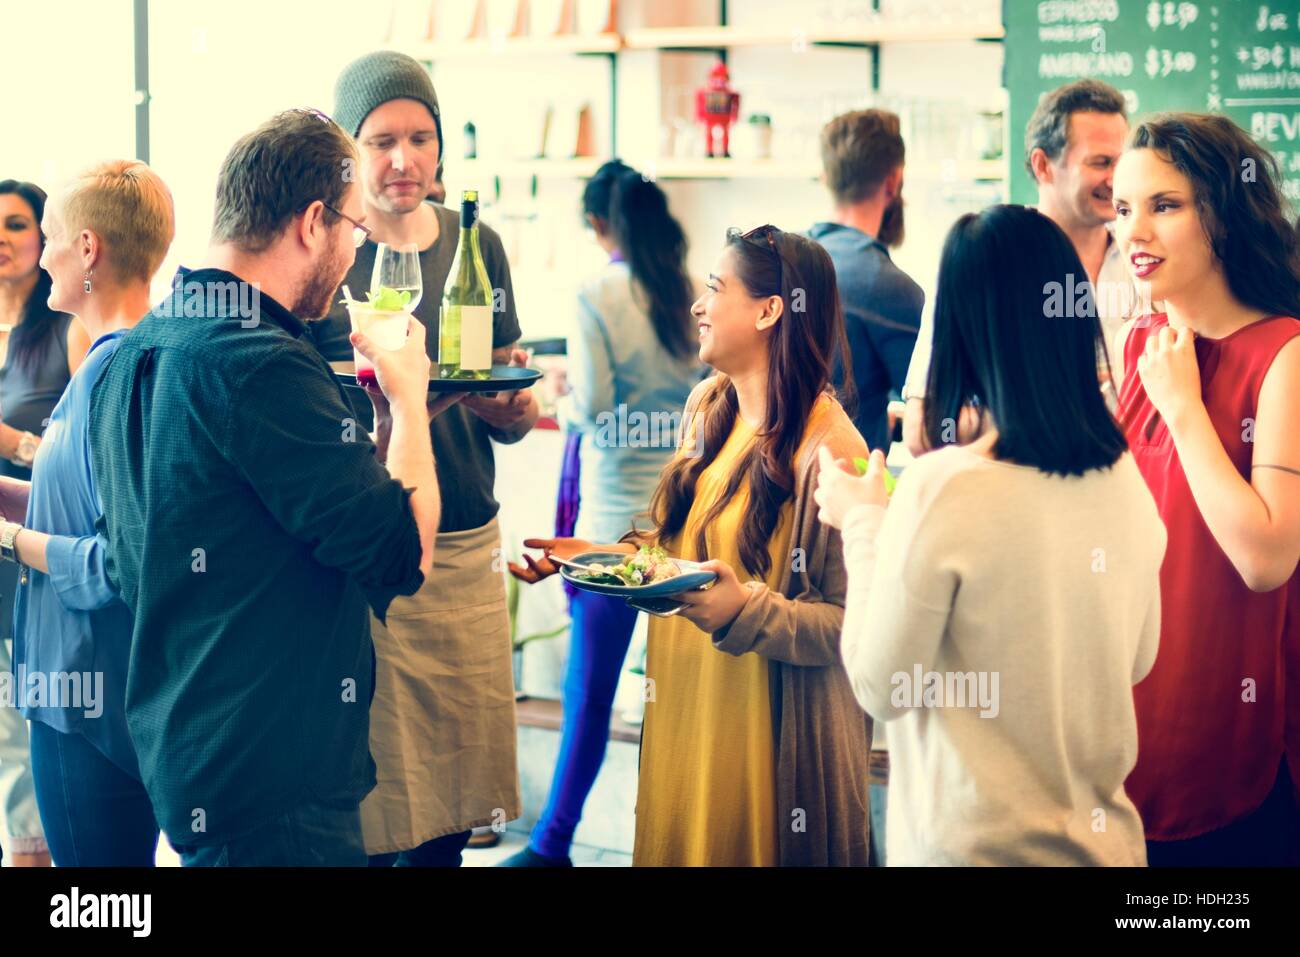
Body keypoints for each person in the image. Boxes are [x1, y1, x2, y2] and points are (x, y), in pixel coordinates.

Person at [87, 109, 440, 867]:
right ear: (313, 221)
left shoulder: (136, 351)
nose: (354, 250)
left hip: (194, 757)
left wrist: (380, 419)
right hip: (277, 789)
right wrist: (411, 399)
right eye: (353, 227)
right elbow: (400, 551)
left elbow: (319, 524)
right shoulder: (262, 363)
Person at [515, 226, 872, 866]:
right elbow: (685, 555)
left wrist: (744, 612)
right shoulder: (710, 405)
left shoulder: (832, 450)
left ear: (769, 311)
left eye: (715, 288)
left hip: (761, 748)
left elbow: (854, 628)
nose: (697, 306)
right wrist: (604, 558)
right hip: (684, 706)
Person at [822, 204, 1164, 865]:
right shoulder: (1124, 476)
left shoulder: (945, 486)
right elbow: (1138, 658)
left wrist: (862, 519)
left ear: (959, 328)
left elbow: (881, 685)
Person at [313, 51, 536, 867]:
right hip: (369, 552)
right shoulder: (326, 250)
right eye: (380, 141)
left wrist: (487, 399)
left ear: (441, 145)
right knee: (376, 801)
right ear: (347, 146)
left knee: (453, 801)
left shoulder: (481, 246)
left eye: (420, 137)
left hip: (467, 544)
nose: (403, 160)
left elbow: (517, 407)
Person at [500, 160, 701, 867]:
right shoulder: (686, 289)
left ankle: (551, 844)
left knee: (589, 695)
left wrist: (558, 391)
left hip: (610, 519)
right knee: (675, 696)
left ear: (596, 223)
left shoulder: (596, 293)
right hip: (680, 515)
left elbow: (595, 405)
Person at [1112, 112, 1300, 866]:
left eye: (1165, 205)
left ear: (1222, 213)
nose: (1135, 232)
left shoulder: (1282, 353)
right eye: (1123, 209)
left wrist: (1185, 407)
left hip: (1234, 740)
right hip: (1131, 723)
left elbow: (1267, 557)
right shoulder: (1140, 344)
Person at [1, 161, 173, 866]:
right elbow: (74, 503)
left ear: (90, 249)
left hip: (88, 707)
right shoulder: (124, 361)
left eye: (50, 239)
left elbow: (116, 562)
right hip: (84, 692)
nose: (42, 257)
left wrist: (10, 539)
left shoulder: (114, 374)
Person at [903, 79, 1137, 456]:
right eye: (1100, 162)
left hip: (1119, 497)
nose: (1115, 179)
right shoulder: (986, 261)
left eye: (1122, 162)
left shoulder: (1143, 263)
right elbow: (922, 431)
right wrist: (1037, 414)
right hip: (1017, 499)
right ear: (1043, 165)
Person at [0, 178, 88, 867]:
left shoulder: (69, 328)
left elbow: (82, 457)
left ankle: (35, 856)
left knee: (23, 718)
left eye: (16, 223)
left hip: (41, 546)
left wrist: (9, 441)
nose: (1, 237)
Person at [808, 109, 922, 454]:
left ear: (826, 176)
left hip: (757, 491)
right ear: (894, 181)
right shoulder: (890, 288)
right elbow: (934, 414)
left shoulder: (771, 259)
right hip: (841, 495)